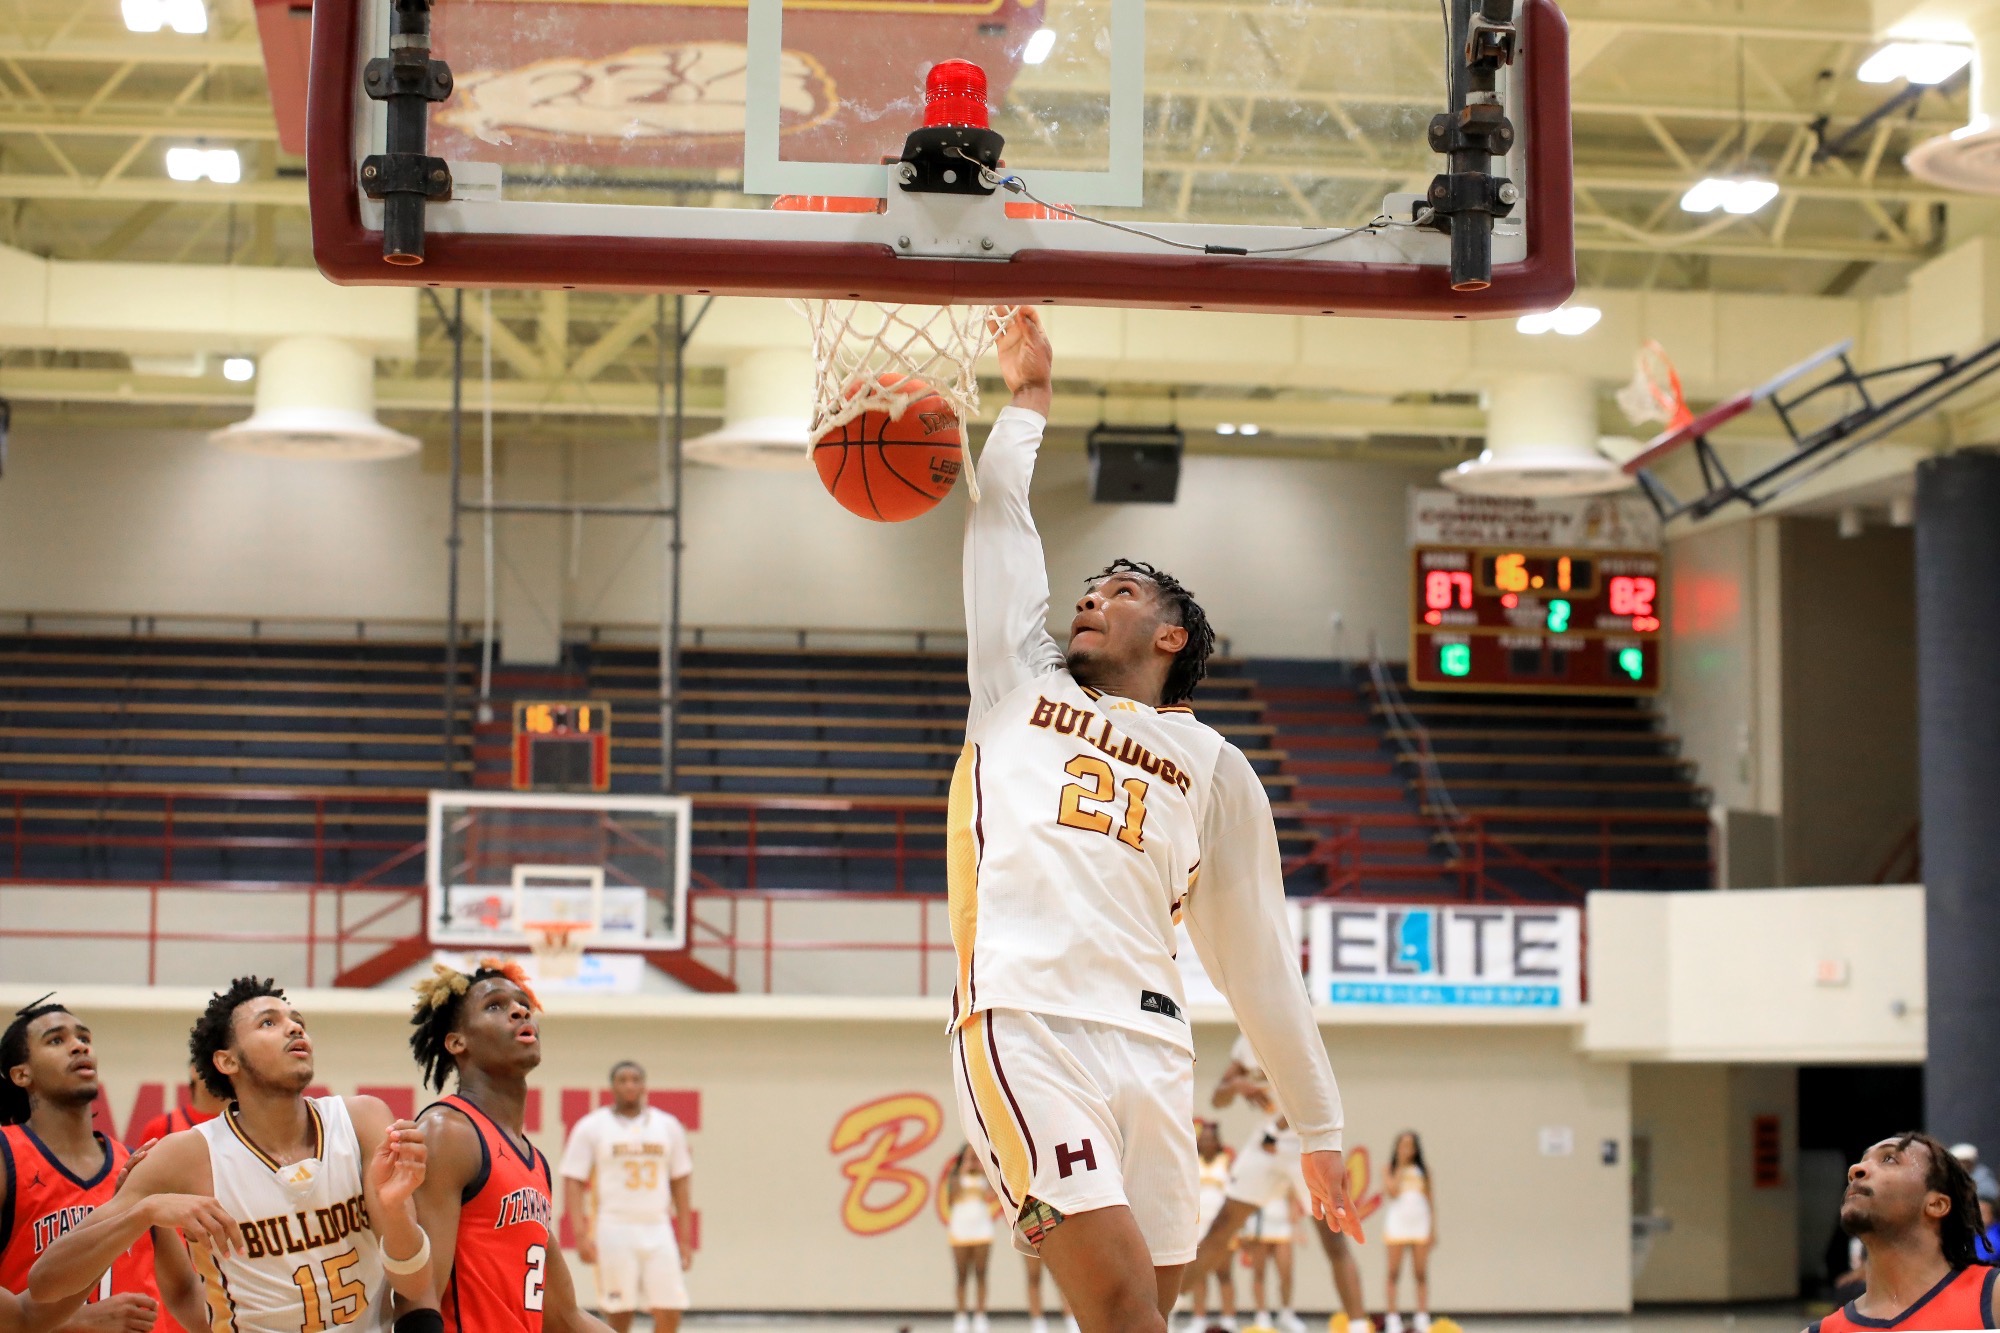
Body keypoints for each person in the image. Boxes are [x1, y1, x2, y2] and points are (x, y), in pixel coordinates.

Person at [947, 306, 1356, 1333]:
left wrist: (1319, 1123)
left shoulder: (1215, 768)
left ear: (1170, 632)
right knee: (1123, 1300)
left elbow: (1257, 961)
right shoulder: (1017, 685)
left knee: (1146, 1319)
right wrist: (1027, 403)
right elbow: (1000, 514)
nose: (1088, 596)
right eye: (1086, 587)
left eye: (1117, 590)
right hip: (1023, 1018)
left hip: (1155, 1044)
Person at [27, 979, 437, 1333]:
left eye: (297, 1021)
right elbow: (46, 1283)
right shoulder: (187, 1155)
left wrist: (393, 1206)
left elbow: (416, 1286)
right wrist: (145, 1211)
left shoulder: (363, 1119)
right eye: (269, 1022)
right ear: (227, 1061)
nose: (294, 1027)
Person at [407, 961, 614, 1333]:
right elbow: (419, 1300)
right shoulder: (448, 1133)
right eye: (495, 1006)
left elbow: (564, 1317)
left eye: (523, 1004)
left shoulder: (533, 1161)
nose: (520, 1011)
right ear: (457, 1042)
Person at [1, 996, 205, 1333]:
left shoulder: (137, 1165)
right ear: (22, 1074)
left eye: (84, 1038)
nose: (79, 1047)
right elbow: (20, 1315)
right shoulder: (7, 1153)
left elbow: (185, 1293)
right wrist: (72, 1323)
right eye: (56, 1040)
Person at [1183, 1038, 1368, 1333]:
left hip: (1305, 1141)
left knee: (1333, 1237)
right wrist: (1236, 1086)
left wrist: (1272, 1130)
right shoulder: (1245, 1042)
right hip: (1267, 1145)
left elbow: (1308, 1095)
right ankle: (1163, 1309)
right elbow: (1218, 1098)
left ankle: (1359, 1325)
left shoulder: (1295, 1029)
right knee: (1221, 1228)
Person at [1805, 1131, 1997, 1332]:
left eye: (1889, 1159)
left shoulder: (1993, 1300)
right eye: (1861, 1161)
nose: (1855, 1169)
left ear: (1936, 1204)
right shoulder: (1823, 1331)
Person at [558, 1062, 693, 1333]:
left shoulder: (668, 1126)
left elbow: (680, 1181)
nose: (629, 1085)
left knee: (670, 1306)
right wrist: (580, 1234)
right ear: (613, 1086)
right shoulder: (592, 1126)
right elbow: (573, 1179)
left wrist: (686, 1239)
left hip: (657, 1224)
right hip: (614, 1226)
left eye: (635, 1079)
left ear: (644, 1085)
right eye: (623, 1080)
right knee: (619, 1309)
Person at [1185, 1123, 1237, 1333]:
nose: (1206, 1142)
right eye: (1202, 1138)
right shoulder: (1192, 1162)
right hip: (1197, 1228)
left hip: (1220, 1229)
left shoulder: (1226, 1162)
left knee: (1224, 1274)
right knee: (1198, 1275)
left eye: (1210, 1138)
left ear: (1217, 1142)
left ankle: (1228, 1318)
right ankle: (1198, 1318)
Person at [1381, 1132, 1435, 1333]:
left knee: (1420, 1273)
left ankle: (1422, 1316)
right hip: (1397, 1225)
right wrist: (1401, 1165)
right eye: (1402, 1145)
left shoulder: (1424, 1171)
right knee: (1393, 1273)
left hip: (1419, 1225)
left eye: (1410, 1145)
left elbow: (1431, 1202)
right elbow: (1393, 1192)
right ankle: (1393, 1318)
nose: (1406, 1149)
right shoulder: (1389, 1169)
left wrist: (1432, 1230)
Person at [944, 1144, 997, 1333]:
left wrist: (983, 1171)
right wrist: (962, 1170)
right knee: (962, 1274)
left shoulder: (985, 1177)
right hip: (960, 1230)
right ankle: (960, 1315)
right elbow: (951, 1198)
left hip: (982, 1230)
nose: (973, 1161)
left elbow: (993, 1195)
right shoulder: (956, 1177)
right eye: (969, 1157)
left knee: (981, 1273)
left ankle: (981, 1314)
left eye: (975, 1157)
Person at [131, 1063, 225, 1148]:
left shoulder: (239, 1125)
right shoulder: (160, 1128)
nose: (221, 1070)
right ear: (194, 1069)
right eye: (214, 1062)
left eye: (227, 1063)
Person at [1240, 1193, 1292, 1333]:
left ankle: (1286, 1313)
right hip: (1258, 1222)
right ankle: (1262, 1314)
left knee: (1286, 1273)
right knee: (1259, 1273)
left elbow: (1292, 1193)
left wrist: (1296, 1223)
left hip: (1282, 1222)